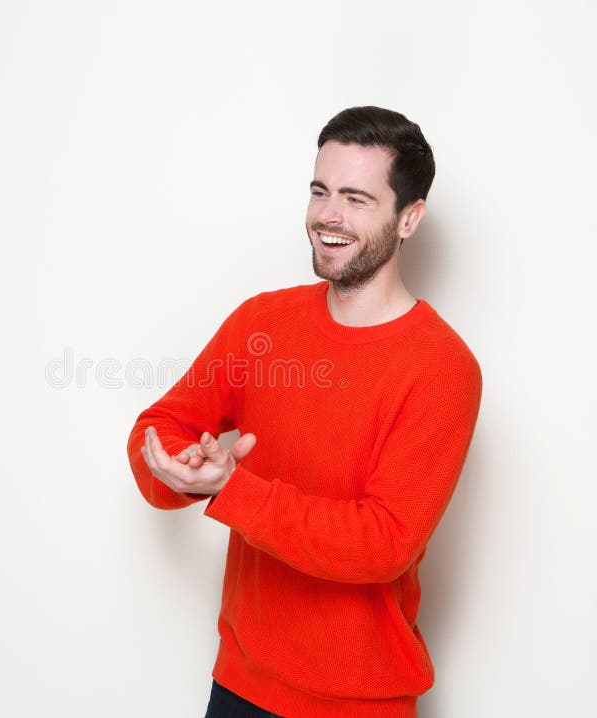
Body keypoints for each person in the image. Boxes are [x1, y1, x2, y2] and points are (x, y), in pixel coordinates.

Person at [127, 106, 482, 718]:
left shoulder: (442, 368)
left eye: (356, 198)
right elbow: (159, 427)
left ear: (409, 218)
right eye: (320, 191)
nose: (328, 216)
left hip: (358, 703)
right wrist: (180, 471)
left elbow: (384, 542)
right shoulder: (262, 323)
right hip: (238, 685)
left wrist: (233, 490)